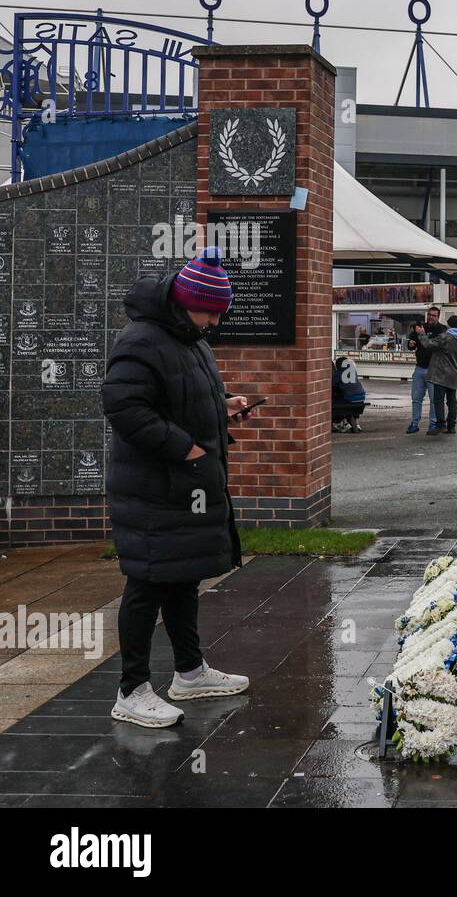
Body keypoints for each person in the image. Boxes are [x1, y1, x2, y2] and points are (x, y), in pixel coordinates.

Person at [100, 245, 252, 728]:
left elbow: (179, 398)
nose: (215, 322)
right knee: (146, 583)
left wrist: (223, 406)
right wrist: (186, 448)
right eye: (211, 312)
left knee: (184, 577)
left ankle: (189, 672)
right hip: (152, 488)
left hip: (185, 486)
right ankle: (131, 690)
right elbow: (125, 409)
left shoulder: (189, 338)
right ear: (189, 303)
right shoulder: (141, 340)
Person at [426, 314, 457, 434]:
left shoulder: (445, 337)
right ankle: (451, 425)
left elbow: (428, 345)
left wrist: (421, 334)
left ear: (448, 324)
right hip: (454, 375)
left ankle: (440, 425)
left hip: (441, 374)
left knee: (438, 400)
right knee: (451, 401)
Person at [405, 305, 443, 434]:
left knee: (434, 400)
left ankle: (433, 424)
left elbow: (433, 346)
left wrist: (421, 334)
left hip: (434, 369)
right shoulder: (421, 327)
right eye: (429, 315)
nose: (431, 317)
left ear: (438, 317)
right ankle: (414, 423)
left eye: (434, 315)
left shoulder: (441, 330)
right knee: (416, 398)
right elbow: (411, 342)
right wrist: (410, 343)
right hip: (420, 367)